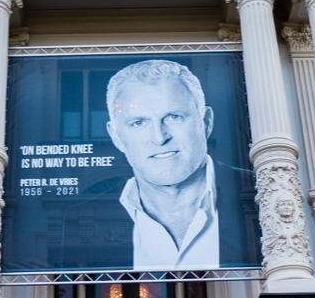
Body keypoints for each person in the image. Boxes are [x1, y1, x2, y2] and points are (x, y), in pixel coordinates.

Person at [105, 59, 252, 271]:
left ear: (206, 122)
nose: (159, 137)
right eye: (139, 123)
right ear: (116, 136)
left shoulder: (262, 191)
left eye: (174, 117)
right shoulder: (71, 222)